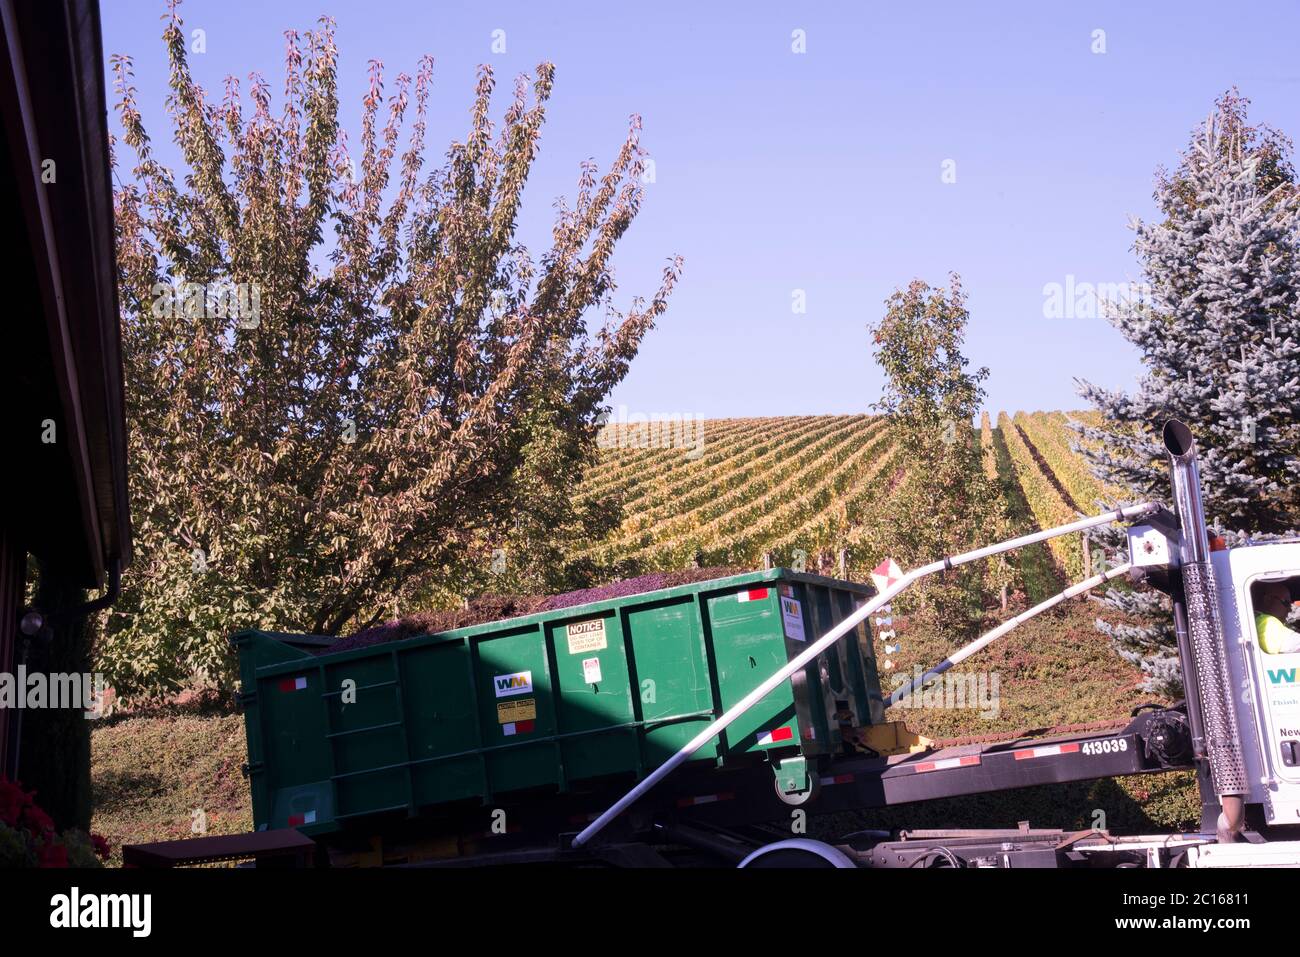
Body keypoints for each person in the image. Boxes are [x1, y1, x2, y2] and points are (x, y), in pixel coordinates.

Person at [1253, 581, 1300, 655]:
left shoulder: (1255, 619)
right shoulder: (1266, 622)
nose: (1290, 609)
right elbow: (1296, 644)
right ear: (1268, 600)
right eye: (1286, 603)